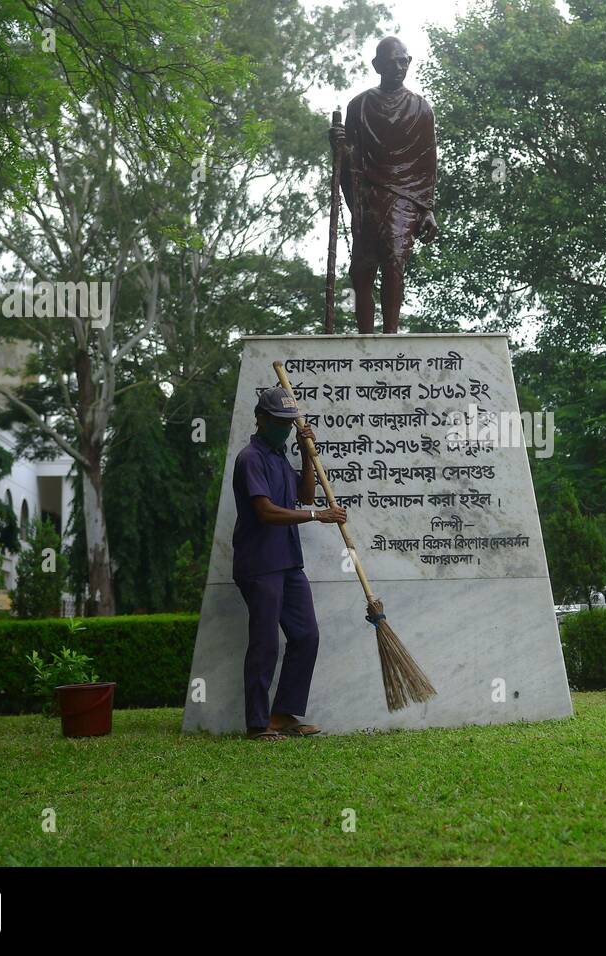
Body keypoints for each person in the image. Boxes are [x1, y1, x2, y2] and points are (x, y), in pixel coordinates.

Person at [231, 385, 346, 739]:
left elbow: (305, 494)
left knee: (306, 635)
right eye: (279, 421)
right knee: (265, 642)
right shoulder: (250, 458)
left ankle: (283, 715)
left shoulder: (281, 456)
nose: (284, 427)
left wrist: (307, 454)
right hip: (260, 564)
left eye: (289, 422)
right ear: (261, 420)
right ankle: (256, 723)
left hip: (288, 563)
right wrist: (317, 516)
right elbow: (265, 512)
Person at [329, 36, 438, 334]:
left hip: (404, 198)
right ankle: (365, 336)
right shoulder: (360, 105)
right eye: (393, 61)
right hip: (367, 197)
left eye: (405, 61)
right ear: (377, 65)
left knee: (393, 262)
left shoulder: (421, 109)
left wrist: (427, 208)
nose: (400, 67)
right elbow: (350, 161)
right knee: (361, 270)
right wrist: (337, 147)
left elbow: (427, 164)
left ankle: (390, 335)